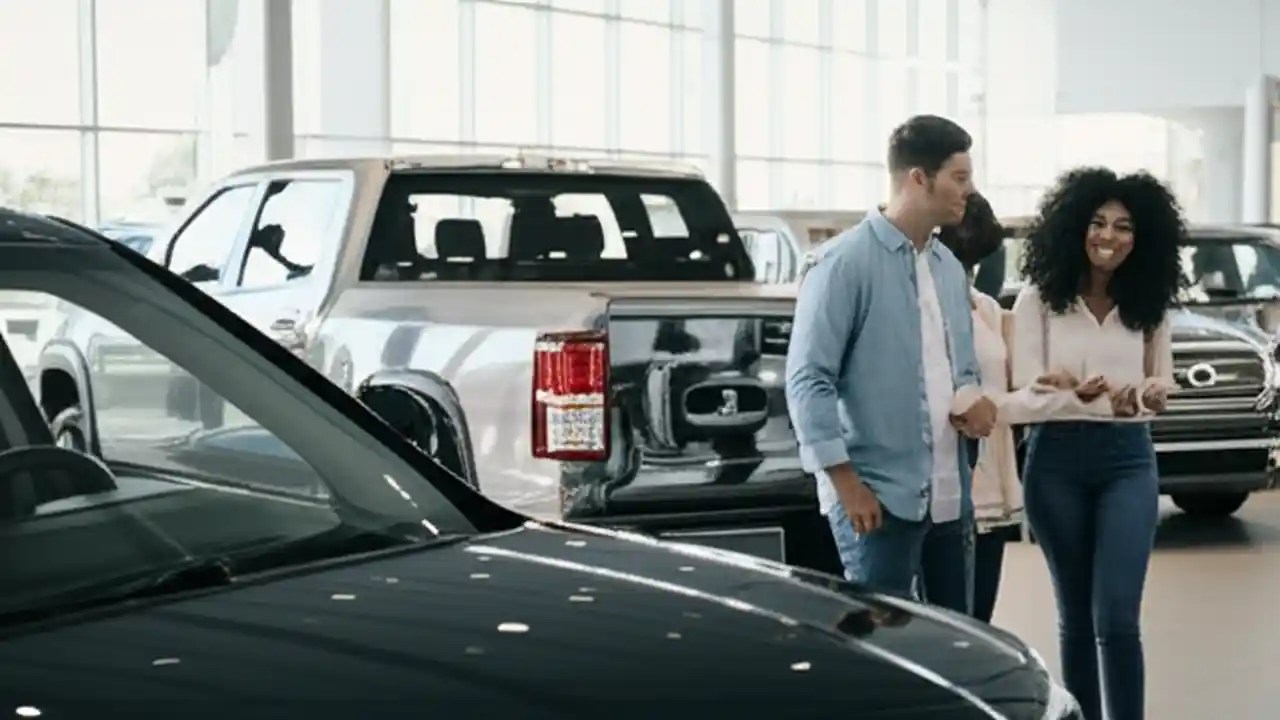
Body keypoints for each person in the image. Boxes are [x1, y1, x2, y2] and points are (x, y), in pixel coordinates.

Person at [785, 114, 997, 613]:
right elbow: (808, 379)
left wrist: (975, 401)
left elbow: (960, 370)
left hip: (950, 497)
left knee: (958, 646)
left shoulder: (947, 266)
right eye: (959, 178)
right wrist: (846, 486)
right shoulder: (843, 264)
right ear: (918, 178)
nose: (968, 191)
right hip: (877, 499)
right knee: (887, 649)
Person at [1010, 167, 1182, 720]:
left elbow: (1161, 380)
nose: (1109, 236)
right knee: (1077, 619)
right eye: (1097, 222)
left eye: (1124, 226)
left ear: (1143, 237)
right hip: (1055, 461)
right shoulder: (1039, 300)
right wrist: (1071, 391)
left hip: (1128, 461)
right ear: (1072, 228)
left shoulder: (1149, 304)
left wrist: (1155, 392)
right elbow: (1027, 390)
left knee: (1117, 617)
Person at [935, 192, 1023, 624]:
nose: (966, 273)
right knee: (943, 622)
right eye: (961, 259)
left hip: (992, 488)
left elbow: (1007, 385)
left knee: (980, 622)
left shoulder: (986, 307)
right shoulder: (923, 308)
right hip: (946, 484)